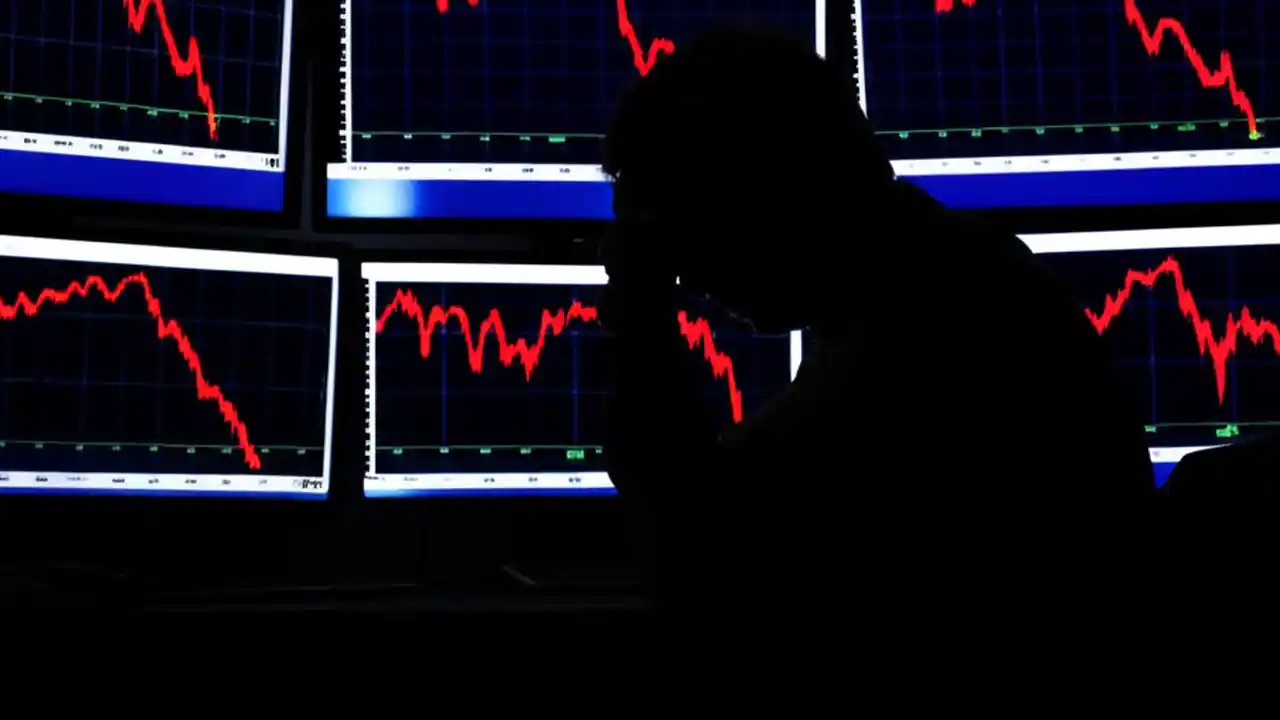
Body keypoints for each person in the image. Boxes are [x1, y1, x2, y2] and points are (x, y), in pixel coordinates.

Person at [599, 26, 1164, 700]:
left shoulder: (926, 338)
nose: (685, 272)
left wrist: (641, 314)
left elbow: (697, 561)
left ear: (764, 190)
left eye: (682, 225)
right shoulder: (946, 276)